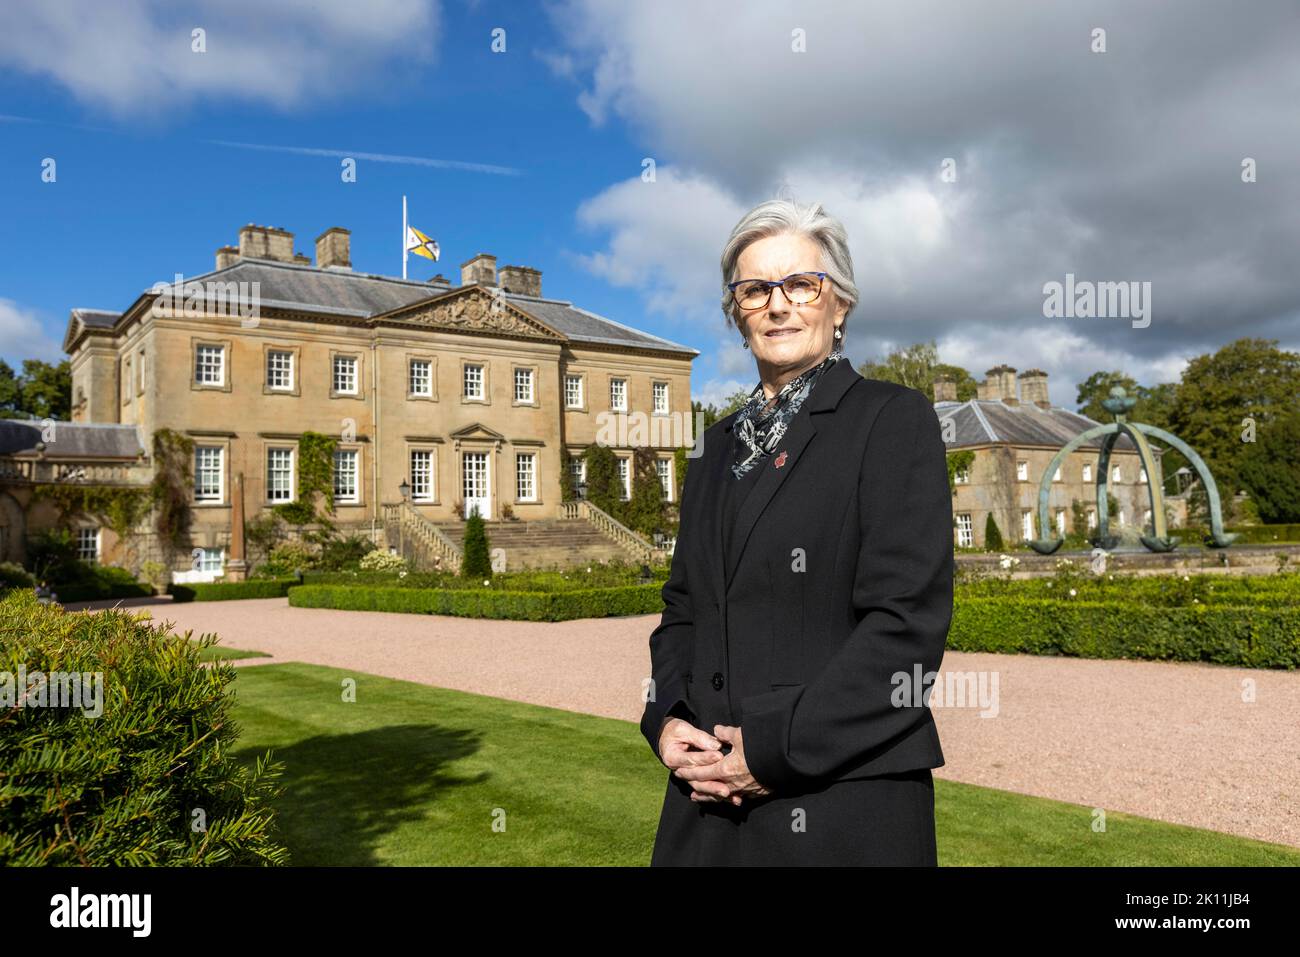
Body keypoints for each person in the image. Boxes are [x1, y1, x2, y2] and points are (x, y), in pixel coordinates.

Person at [640, 198, 953, 865]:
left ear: (839, 304)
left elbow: (905, 628)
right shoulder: (713, 446)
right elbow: (682, 611)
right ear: (737, 313)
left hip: (842, 802)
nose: (778, 305)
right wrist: (667, 720)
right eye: (755, 290)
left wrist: (772, 749)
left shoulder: (891, 421)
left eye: (800, 285)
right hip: (705, 813)